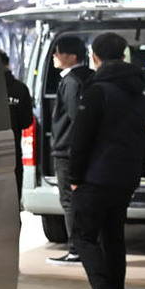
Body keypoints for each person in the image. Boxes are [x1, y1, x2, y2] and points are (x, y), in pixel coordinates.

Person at [68, 32, 145, 289]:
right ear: (124, 55)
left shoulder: (97, 90)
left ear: (94, 56)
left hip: (96, 176)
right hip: (126, 176)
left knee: (83, 236)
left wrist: (75, 177)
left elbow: (82, 138)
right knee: (113, 237)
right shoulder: (140, 90)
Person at [47, 34, 93, 264]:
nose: (54, 56)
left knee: (69, 201)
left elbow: (77, 119)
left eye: (58, 52)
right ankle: (85, 246)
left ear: (72, 56)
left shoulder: (71, 81)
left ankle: (75, 249)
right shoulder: (89, 77)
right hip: (81, 151)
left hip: (68, 151)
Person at [0, 50, 34, 198]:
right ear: (8, 64)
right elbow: (27, 122)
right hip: (13, 151)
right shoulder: (20, 89)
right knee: (13, 198)